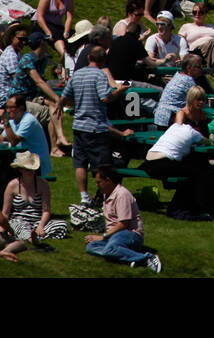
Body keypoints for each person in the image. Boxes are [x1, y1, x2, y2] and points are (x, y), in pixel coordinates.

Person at [62, 46, 131, 205]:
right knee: (103, 166)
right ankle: (105, 197)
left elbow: (65, 97)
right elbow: (105, 97)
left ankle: (84, 197)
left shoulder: (77, 74)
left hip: (78, 126)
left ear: (88, 58)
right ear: (104, 61)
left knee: (80, 163)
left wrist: (74, 104)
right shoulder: (100, 75)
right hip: (96, 128)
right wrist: (120, 91)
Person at [84, 165, 162, 271]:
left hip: (129, 234)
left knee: (109, 249)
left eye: (99, 182)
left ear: (108, 181)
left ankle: (147, 258)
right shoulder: (107, 194)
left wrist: (103, 237)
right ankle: (127, 257)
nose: (97, 185)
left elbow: (123, 224)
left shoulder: (122, 195)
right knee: (91, 247)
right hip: (114, 236)